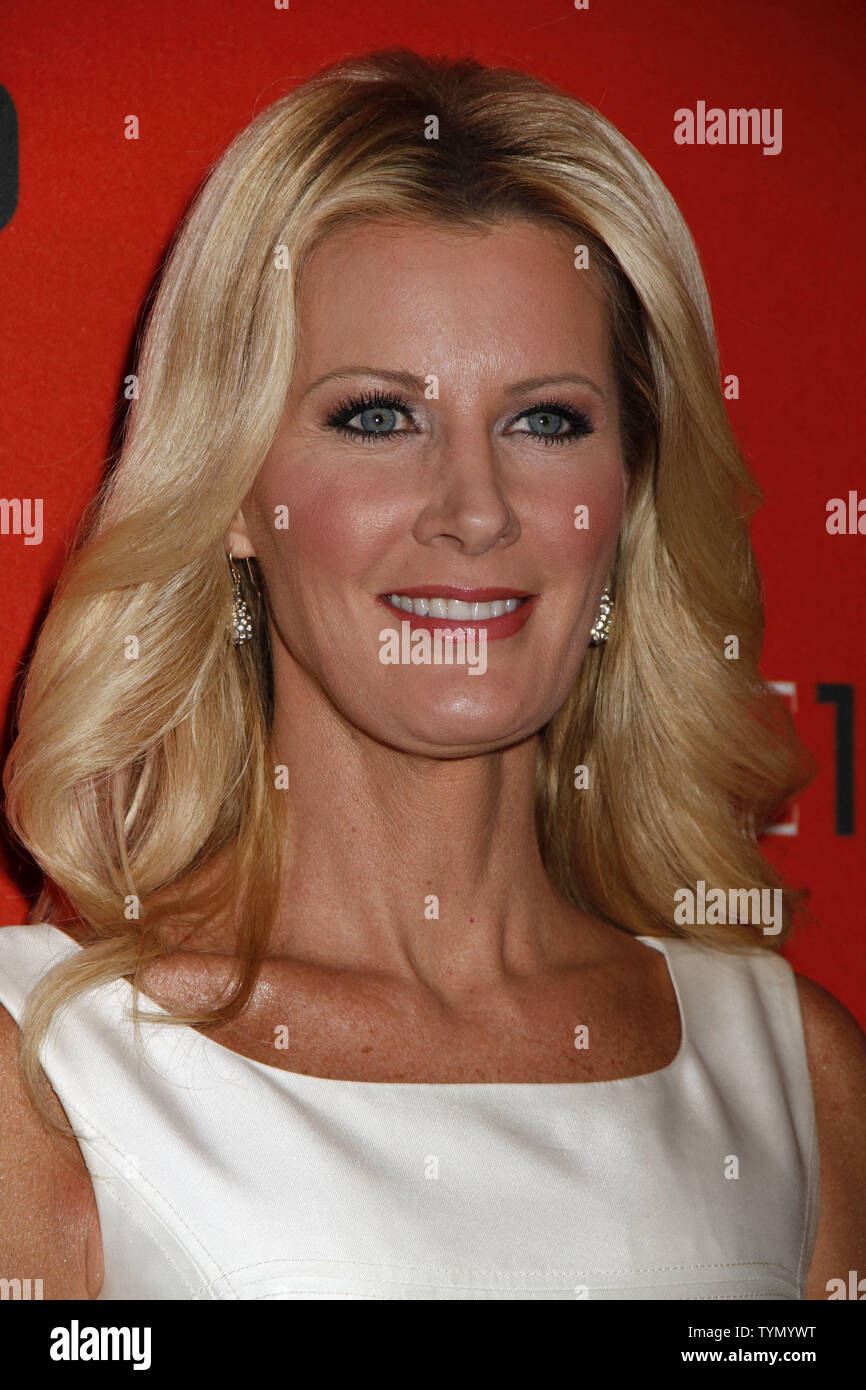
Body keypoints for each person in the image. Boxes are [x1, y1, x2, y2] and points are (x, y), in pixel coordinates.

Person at [1, 47, 864, 1302]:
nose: (474, 510)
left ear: (624, 497)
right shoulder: (46, 1072)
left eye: (545, 420)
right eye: (375, 416)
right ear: (232, 488)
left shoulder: (790, 1071)